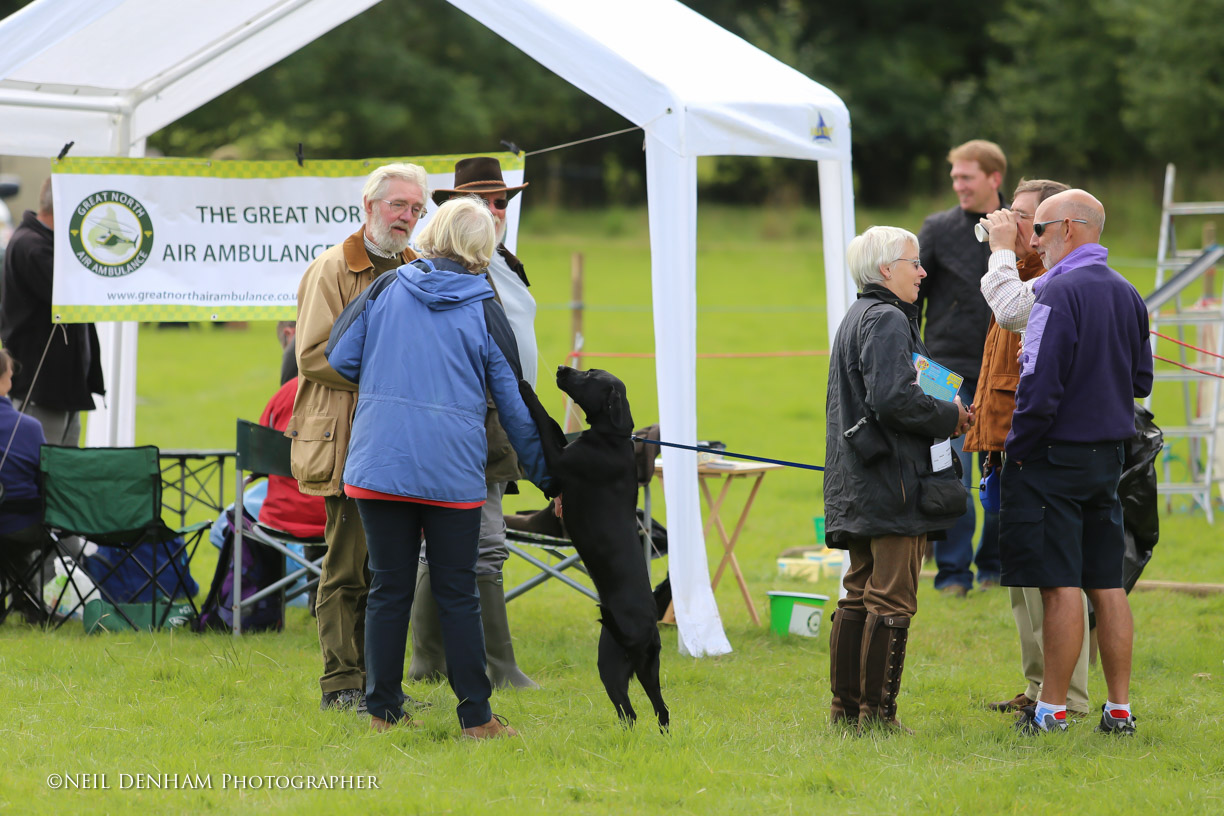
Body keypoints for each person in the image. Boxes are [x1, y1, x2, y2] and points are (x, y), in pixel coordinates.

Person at [325, 196, 554, 737]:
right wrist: (549, 479)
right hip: (452, 474)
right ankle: (476, 718)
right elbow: (515, 406)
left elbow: (340, 356)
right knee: (457, 593)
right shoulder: (485, 305)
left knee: (388, 590)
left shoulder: (385, 287)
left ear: (431, 232)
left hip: (379, 464)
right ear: (483, 248)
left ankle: (382, 712)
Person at [1004, 189, 1152, 735]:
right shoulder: (1129, 292)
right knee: (1106, 584)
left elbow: (1039, 384)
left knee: (1059, 583)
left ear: (1068, 227)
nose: (1034, 242)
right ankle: (1119, 710)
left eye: (1039, 229)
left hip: (1054, 456)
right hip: (1108, 457)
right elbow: (1141, 380)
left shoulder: (1057, 291)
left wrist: (1017, 448)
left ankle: (1051, 711)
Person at [286, 162, 429, 712]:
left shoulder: (417, 267)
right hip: (347, 440)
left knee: (387, 572)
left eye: (416, 209)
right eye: (398, 205)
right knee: (347, 568)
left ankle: (379, 687)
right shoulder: (332, 268)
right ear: (368, 206)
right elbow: (312, 356)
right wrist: (392, 380)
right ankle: (341, 685)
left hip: (399, 444)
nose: (407, 217)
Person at [824, 226, 971, 733]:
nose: (923, 272)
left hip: (863, 481)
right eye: (915, 263)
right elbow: (893, 399)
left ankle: (847, 713)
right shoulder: (886, 319)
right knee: (891, 598)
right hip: (893, 483)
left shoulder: (860, 315)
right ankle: (876, 717)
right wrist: (951, 417)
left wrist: (945, 404)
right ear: (887, 269)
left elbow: (896, 390)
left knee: (859, 592)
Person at [409, 157, 540, 689]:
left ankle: (430, 662)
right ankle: (495, 667)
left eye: (500, 201)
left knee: (462, 542)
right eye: (480, 202)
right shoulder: (454, 270)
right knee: (483, 542)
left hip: (502, 422)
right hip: (470, 424)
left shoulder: (504, 261)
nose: (493, 210)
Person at [967, 178, 1093, 719]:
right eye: (1011, 212)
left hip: (1038, 448)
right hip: (1007, 445)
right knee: (1021, 581)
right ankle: (1039, 685)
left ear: (1049, 226)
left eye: (1022, 216)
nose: (1010, 222)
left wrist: (999, 251)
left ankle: (1070, 696)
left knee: (1052, 580)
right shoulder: (1018, 271)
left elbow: (1011, 314)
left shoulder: (1051, 278)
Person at [916, 140, 1007, 597]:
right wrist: (913, 356)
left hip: (1004, 371)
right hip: (944, 370)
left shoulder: (1016, 227)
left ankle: (994, 566)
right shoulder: (937, 229)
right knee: (950, 470)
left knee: (1003, 473)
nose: (959, 185)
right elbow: (912, 296)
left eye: (967, 177)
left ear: (994, 178)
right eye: (955, 177)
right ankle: (952, 574)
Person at [0, 178, 104, 446]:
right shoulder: (32, 246)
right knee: (42, 463)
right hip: (42, 387)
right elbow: (73, 296)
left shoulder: (47, 243)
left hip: (62, 387)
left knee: (62, 466)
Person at [0, 349, 54, 623]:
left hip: (12, 526)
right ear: (4, 381)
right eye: (10, 374)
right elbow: (46, 483)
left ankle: (26, 602)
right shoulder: (30, 427)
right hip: (22, 527)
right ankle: (29, 603)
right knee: (15, 533)